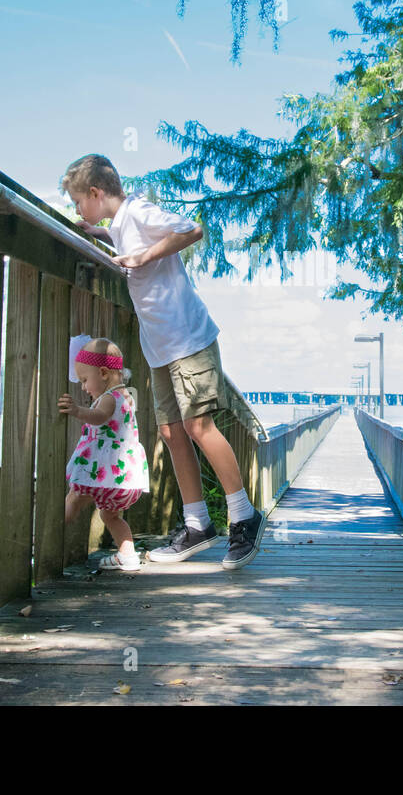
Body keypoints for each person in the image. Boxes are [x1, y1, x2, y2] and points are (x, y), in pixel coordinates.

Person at [60, 153, 265, 569]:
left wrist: (142, 258)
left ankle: (244, 516)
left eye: (79, 202)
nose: (78, 209)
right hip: (159, 346)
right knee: (172, 433)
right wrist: (97, 233)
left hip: (187, 337)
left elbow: (192, 230)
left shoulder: (138, 211)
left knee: (198, 426)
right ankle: (197, 525)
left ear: (97, 193)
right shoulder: (119, 224)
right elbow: (124, 239)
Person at [58, 337, 150, 571]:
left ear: (103, 372)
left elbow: (100, 417)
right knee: (110, 516)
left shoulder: (109, 398)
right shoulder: (126, 395)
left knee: (74, 497)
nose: (82, 387)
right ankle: (128, 555)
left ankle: (47, 535)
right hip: (119, 473)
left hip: (103, 468)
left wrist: (78, 411)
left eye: (84, 380)